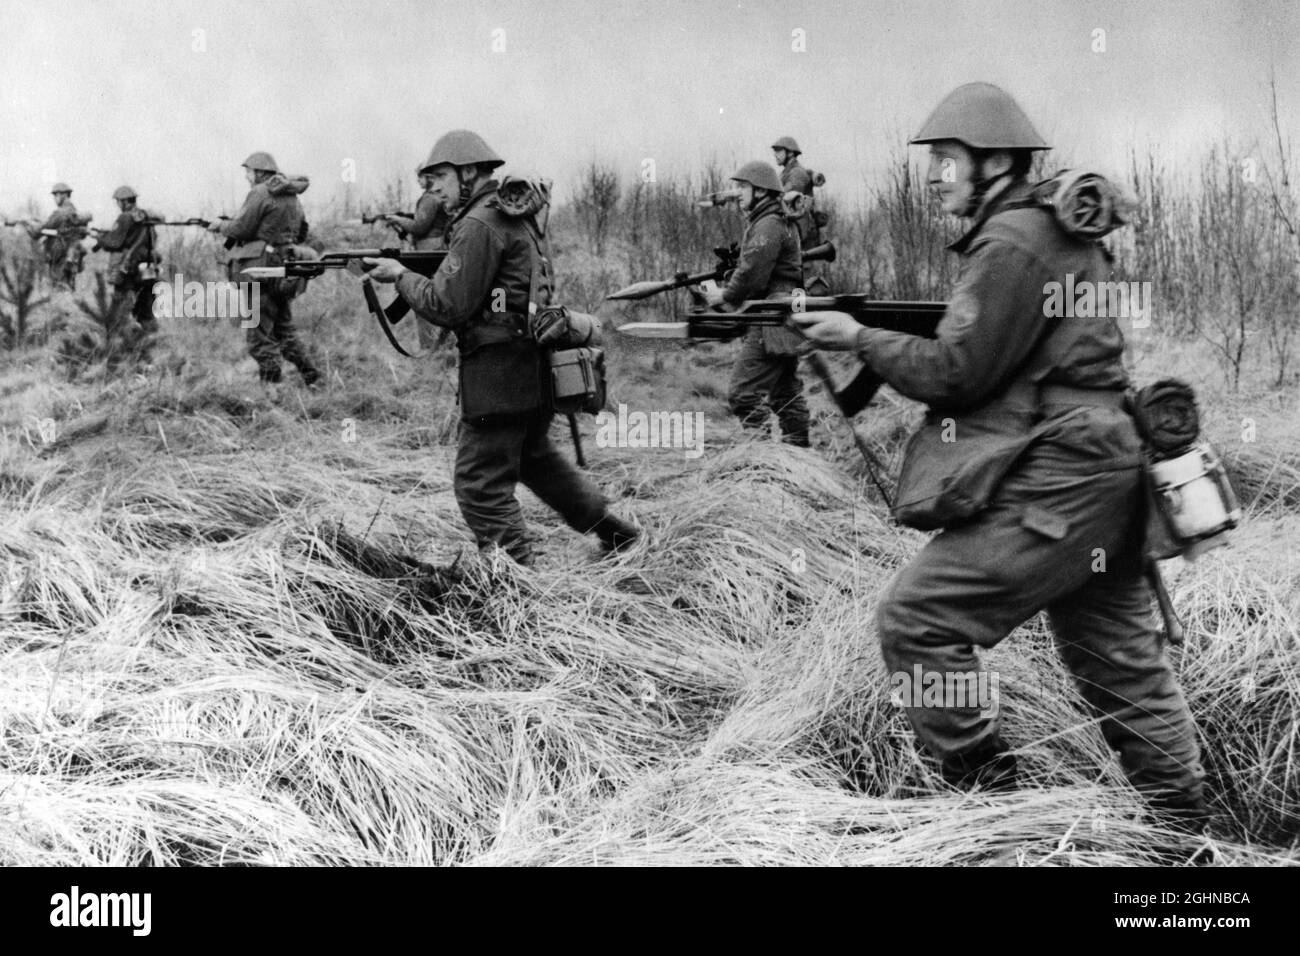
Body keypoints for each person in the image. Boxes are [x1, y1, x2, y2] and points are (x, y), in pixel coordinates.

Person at [794, 82, 1207, 831]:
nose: (933, 177)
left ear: (994, 163)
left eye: (947, 161)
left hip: (1064, 480)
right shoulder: (1048, 229)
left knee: (919, 620)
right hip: (1107, 475)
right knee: (1122, 667)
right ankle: (1187, 837)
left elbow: (959, 372)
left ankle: (995, 803)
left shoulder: (1012, 241)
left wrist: (859, 340)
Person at [364, 130, 639, 566]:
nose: (431, 188)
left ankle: (514, 582)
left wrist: (400, 276)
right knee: (535, 460)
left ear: (468, 172)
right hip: (530, 365)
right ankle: (615, 533)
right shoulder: (511, 215)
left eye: (439, 177)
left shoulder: (478, 224)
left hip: (497, 375)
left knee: (479, 484)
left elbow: (447, 304)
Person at [705, 161, 810, 447]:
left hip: (773, 315)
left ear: (761, 191)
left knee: (743, 393)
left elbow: (752, 273)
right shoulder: (773, 220)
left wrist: (725, 295)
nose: (738, 193)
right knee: (784, 392)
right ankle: (800, 456)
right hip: (783, 312)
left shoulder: (769, 224)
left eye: (743, 187)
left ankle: (763, 459)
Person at [210, 151, 320, 386]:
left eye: (248, 172)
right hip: (284, 266)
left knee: (259, 332)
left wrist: (221, 225)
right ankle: (311, 376)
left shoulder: (259, 192)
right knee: (284, 328)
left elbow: (241, 229)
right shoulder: (291, 195)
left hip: (259, 270)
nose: (247, 177)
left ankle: (271, 390)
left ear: (259, 172)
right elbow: (302, 232)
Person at [92, 185, 160, 352]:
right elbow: (151, 238)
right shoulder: (145, 217)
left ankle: (123, 347)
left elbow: (114, 242)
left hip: (127, 270)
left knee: (121, 308)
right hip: (146, 269)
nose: (118, 205)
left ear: (124, 202)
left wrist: (100, 239)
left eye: (118, 202)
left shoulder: (125, 218)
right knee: (146, 310)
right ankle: (154, 345)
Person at [28, 182, 91, 289]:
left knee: (59, 287)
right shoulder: (73, 211)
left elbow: (43, 227)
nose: (55, 198)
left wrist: (29, 226)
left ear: (64, 195)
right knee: (69, 286)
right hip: (72, 255)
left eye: (56, 195)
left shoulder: (60, 213)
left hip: (60, 255)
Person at [771, 136, 821, 247]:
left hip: (801, 232)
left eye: (779, 151)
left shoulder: (797, 173)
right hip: (792, 230)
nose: (775, 155)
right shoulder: (786, 173)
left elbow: (786, 197)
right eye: (775, 151)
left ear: (790, 153)